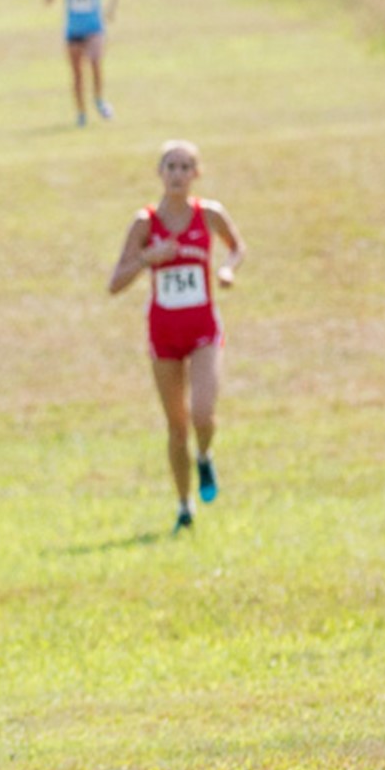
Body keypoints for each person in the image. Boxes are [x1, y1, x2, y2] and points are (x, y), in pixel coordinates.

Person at [106, 141, 247, 533]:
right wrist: (147, 259)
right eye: (170, 166)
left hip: (203, 330)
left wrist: (228, 271)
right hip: (163, 335)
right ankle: (184, 505)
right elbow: (114, 283)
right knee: (176, 424)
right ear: (159, 172)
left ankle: (205, 456)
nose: (177, 173)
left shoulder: (210, 214)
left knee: (202, 411)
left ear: (196, 174)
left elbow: (237, 249)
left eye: (185, 167)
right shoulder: (145, 223)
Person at [43, 0, 120, 127]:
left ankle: (99, 100)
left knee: (95, 62)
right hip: (74, 29)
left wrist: (110, 9)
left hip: (94, 27)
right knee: (77, 73)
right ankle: (81, 112)